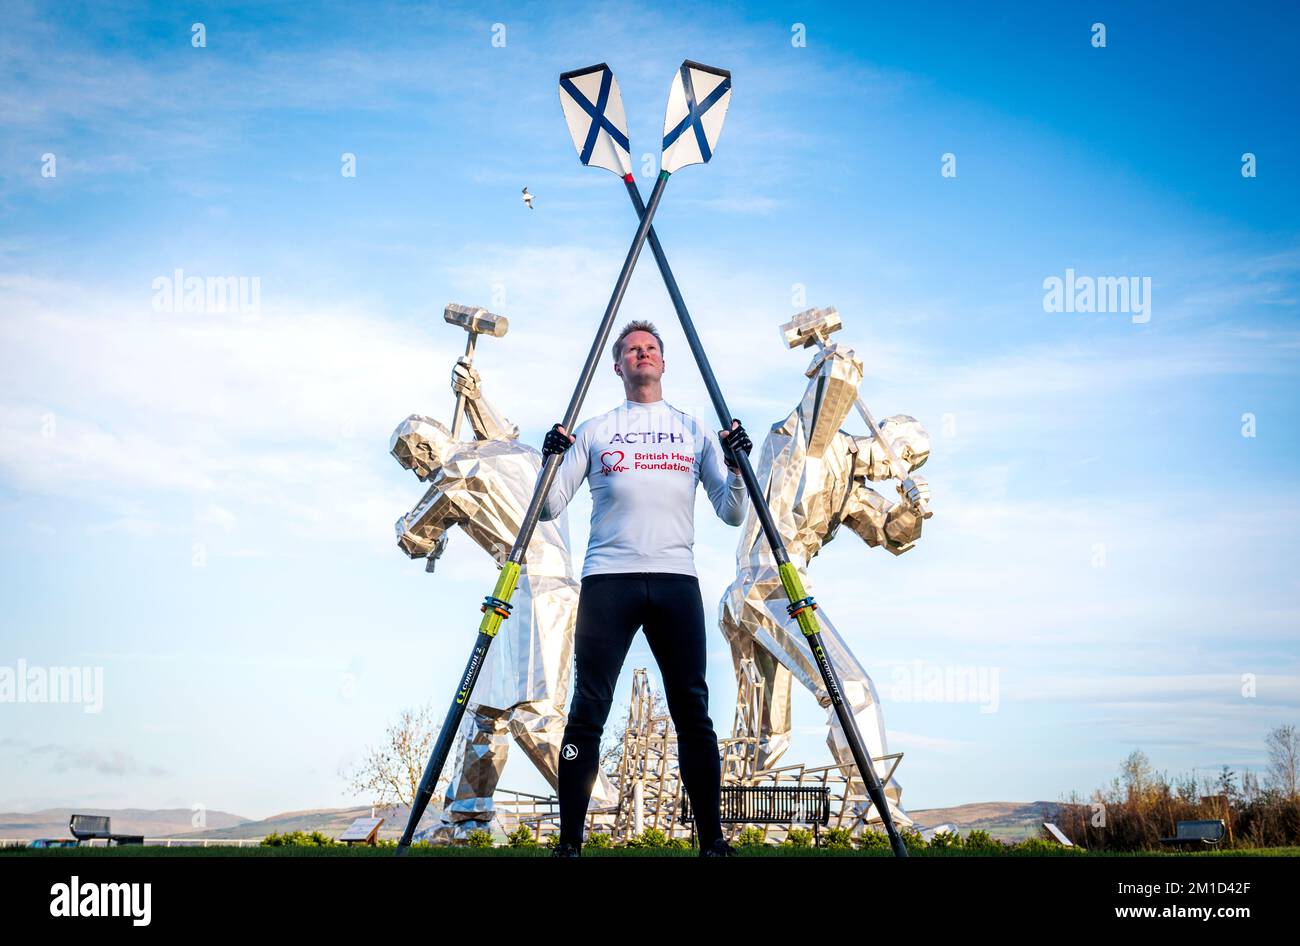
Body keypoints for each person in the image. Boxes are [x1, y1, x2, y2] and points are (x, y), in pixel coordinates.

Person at [538, 320, 752, 857]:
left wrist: (740, 466)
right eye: (631, 349)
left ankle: (713, 843)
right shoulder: (596, 429)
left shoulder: (694, 429)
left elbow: (731, 512)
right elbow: (547, 506)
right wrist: (551, 458)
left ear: (663, 361)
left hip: (677, 579)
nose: (642, 354)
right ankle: (569, 844)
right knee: (588, 708)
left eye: (650, 347)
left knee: (692, 709)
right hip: (608, 578)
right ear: (618, 366)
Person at [388, 357, 616, 842]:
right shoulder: (520, 453)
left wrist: (431, 536)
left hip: (536, 589)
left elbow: (413, 537)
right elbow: (500, 431)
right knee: (483, 713)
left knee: (535, 715)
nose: (416, 472)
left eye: (413, 461)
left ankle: (603, 814)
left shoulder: (454, 477)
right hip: (532, 591)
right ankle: (468, 819)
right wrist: (474, 396)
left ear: (427, 446)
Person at [719, 332, 931, 831]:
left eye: (913, 463)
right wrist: (838, 357)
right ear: (883, 432)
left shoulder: (853, 487)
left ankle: (741, 825)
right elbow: (829, 392)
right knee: (851, 688)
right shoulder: (816, 441)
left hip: (753, 597)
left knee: (766, 732)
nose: (900, 466)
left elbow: (890, 535)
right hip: (769, 581)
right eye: (904, 453)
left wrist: (912, 511)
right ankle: (874, 812)